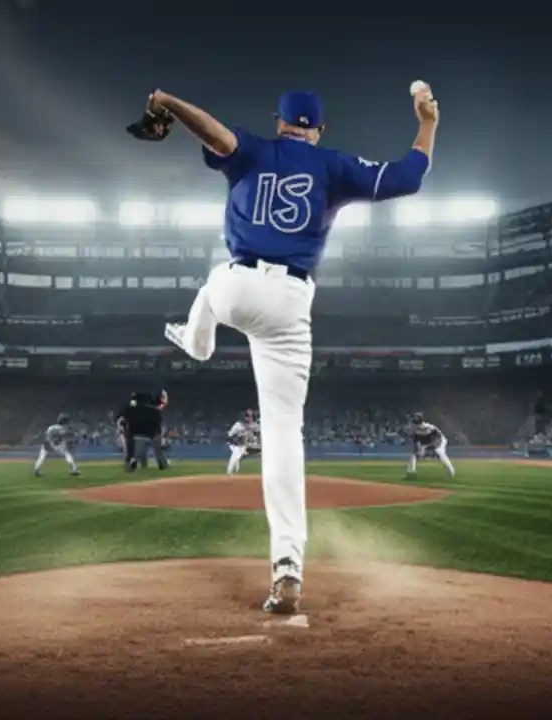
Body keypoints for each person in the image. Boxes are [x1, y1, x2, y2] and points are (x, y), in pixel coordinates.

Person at [153, 84, 438, 613]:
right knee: (285, 436)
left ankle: (196, 341)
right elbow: (408, 176)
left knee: (214, 285)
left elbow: (214, 133)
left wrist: (168, 101)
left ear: (280, 122)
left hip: (238, 285)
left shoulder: (254, 149)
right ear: (319, 130)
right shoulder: (334, 166)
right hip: (290, 304)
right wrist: (427, 122)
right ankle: (288, 569)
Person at [117, 389, 169, 471]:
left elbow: (122, 419)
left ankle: (132, 462)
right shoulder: (154, 410)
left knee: (136, 453)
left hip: (137, 434)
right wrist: (165, 397)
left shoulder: (131, 410)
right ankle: (162, 464)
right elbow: (162, 408)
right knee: (158, 452)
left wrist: (124, 429)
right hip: (152, 434)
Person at [406, 412, 456, 478]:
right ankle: (411, 472)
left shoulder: (428, 427)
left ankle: (451, 471)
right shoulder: (414, 429)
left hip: (440, 441)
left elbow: (438, 437)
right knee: (414, 455)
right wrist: (418, 450)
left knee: (439, 453)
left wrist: (432, 447)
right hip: (426, 443)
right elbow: (416, 441)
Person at [33, 413, 79, 477]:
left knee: (42, 456)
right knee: (66, 454)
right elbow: (63, 434)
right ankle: (74, 468)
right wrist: (73, 434)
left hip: (47, 442)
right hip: (56, 443)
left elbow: (46, 435)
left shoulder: (51, 426)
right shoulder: (61, 428)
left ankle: (36, 469)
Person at [226, 408, 261, 475]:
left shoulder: (254, 425)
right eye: (248, 416)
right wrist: (235, 439)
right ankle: (229, 473)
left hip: (248, 444)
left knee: (239, 457)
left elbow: (259, 433)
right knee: (235, 456)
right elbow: (229, 435)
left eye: (251, 416)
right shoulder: (238, 425)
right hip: (236, 445)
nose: (249, 418)